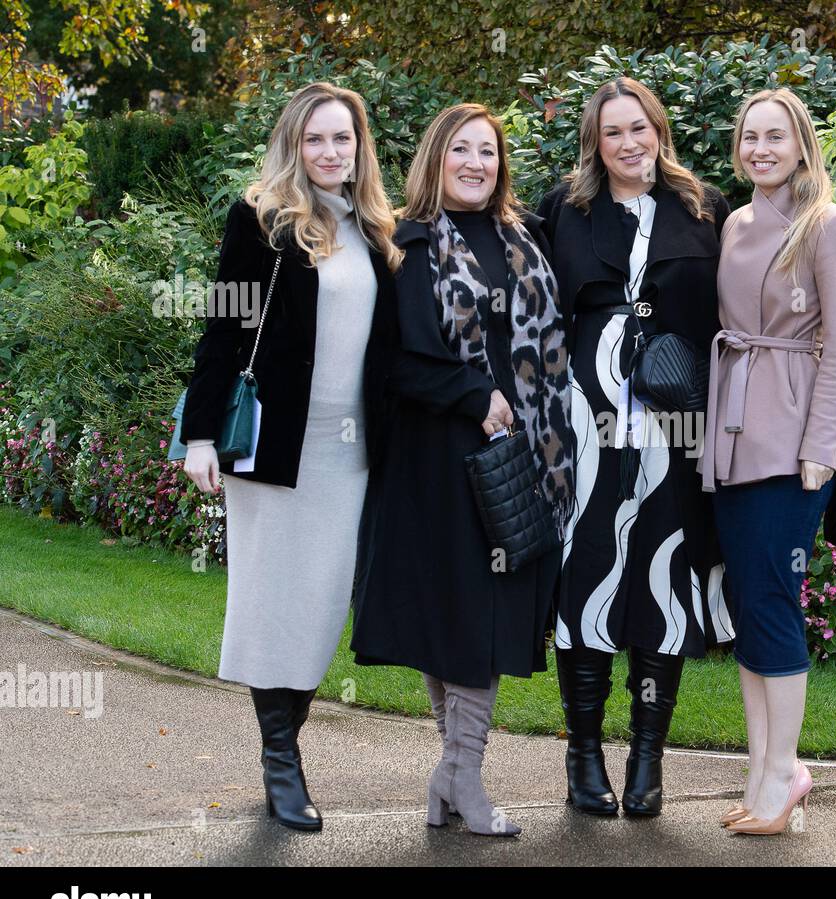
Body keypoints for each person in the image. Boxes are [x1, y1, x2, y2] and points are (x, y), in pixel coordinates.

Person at [180, 81, 403, 832]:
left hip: (351, 453)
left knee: (321, 604)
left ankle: (286, 742)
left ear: (360, 146)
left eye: (342, 138)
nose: (330, 152)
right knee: (275, 602)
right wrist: (200, 435)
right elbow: (223, 330)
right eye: (315, 139)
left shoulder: (376, 228)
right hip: (275, 445)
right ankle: (282, 759)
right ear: (293, 146)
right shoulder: (262, 221)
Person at [349, 104, 573, 837]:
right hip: (437, 462)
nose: (476, 163)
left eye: (488, 151)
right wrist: (474, 395)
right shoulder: (408, 244)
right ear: (436, 159)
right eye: (462, 150)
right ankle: (463, 776)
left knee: (492, 611)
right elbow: (395, 363)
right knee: (458, 617)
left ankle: (453, 774)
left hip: (519, 458)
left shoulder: (527, 238)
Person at [535, 77, 733, 818]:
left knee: (664, 577)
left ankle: (648, 757)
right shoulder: (564, 209)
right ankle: (583, 754)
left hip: (675, 424)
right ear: (595, 140)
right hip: (586, 424)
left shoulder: (703, 207)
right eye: (612, 131)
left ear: (659, 130)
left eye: (638, 127)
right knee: (586, 575)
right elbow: (532, 308)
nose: (627, 143)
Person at [701, 88, 836, 835]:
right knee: (747, 601)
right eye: (750, 137)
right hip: (732, 432)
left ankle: (784, 772)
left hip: (793, 434)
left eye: (775, 136)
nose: (760, 149)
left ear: (802, 145)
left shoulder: (829, 226)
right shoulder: (735, 223)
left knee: (773, 599)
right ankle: (764, 768)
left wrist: (820, 450)